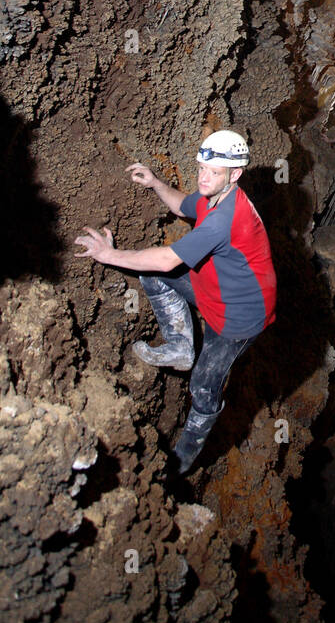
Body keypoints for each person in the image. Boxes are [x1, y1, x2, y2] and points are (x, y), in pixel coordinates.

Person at [74, 130, 277, 475]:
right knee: (153, 277)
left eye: (212, 172)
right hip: (214, 294)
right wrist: (155, 182)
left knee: (203, 384)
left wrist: (109, 254)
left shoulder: (227, 219)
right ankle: (181, 345)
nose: (203, 177)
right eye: (201, 168)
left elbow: (168, 260)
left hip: (238, 320)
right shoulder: (217, 197)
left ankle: (182, 460)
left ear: (235, 174)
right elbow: (183, 204)